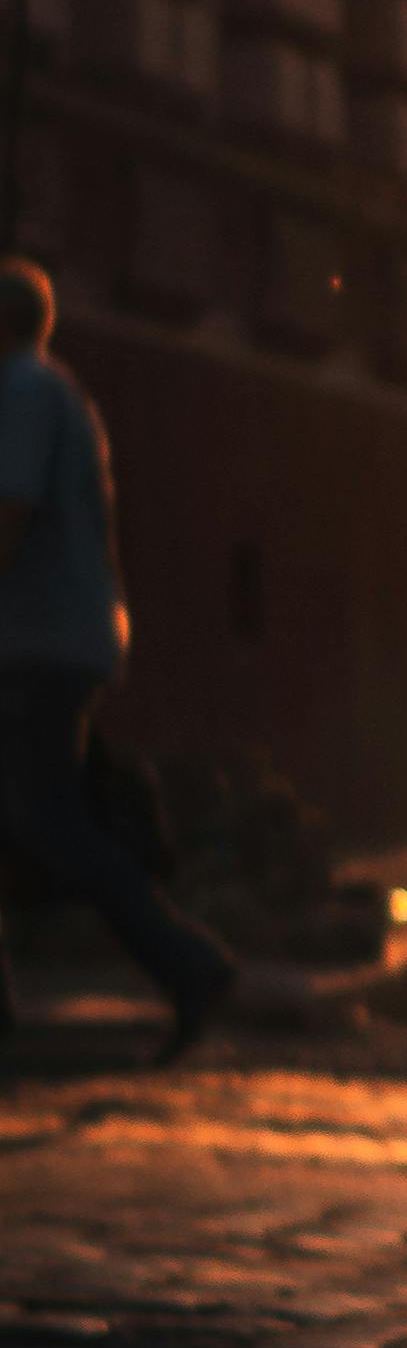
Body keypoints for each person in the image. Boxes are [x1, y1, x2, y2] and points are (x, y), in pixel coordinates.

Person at [0, 258, 235, 1056]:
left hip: (35, 644)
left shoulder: (24, 392)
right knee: (29, 817)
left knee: (48, 822)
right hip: (58, 636)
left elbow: (11, 514)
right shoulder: (57, 391)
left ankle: (189, 963)